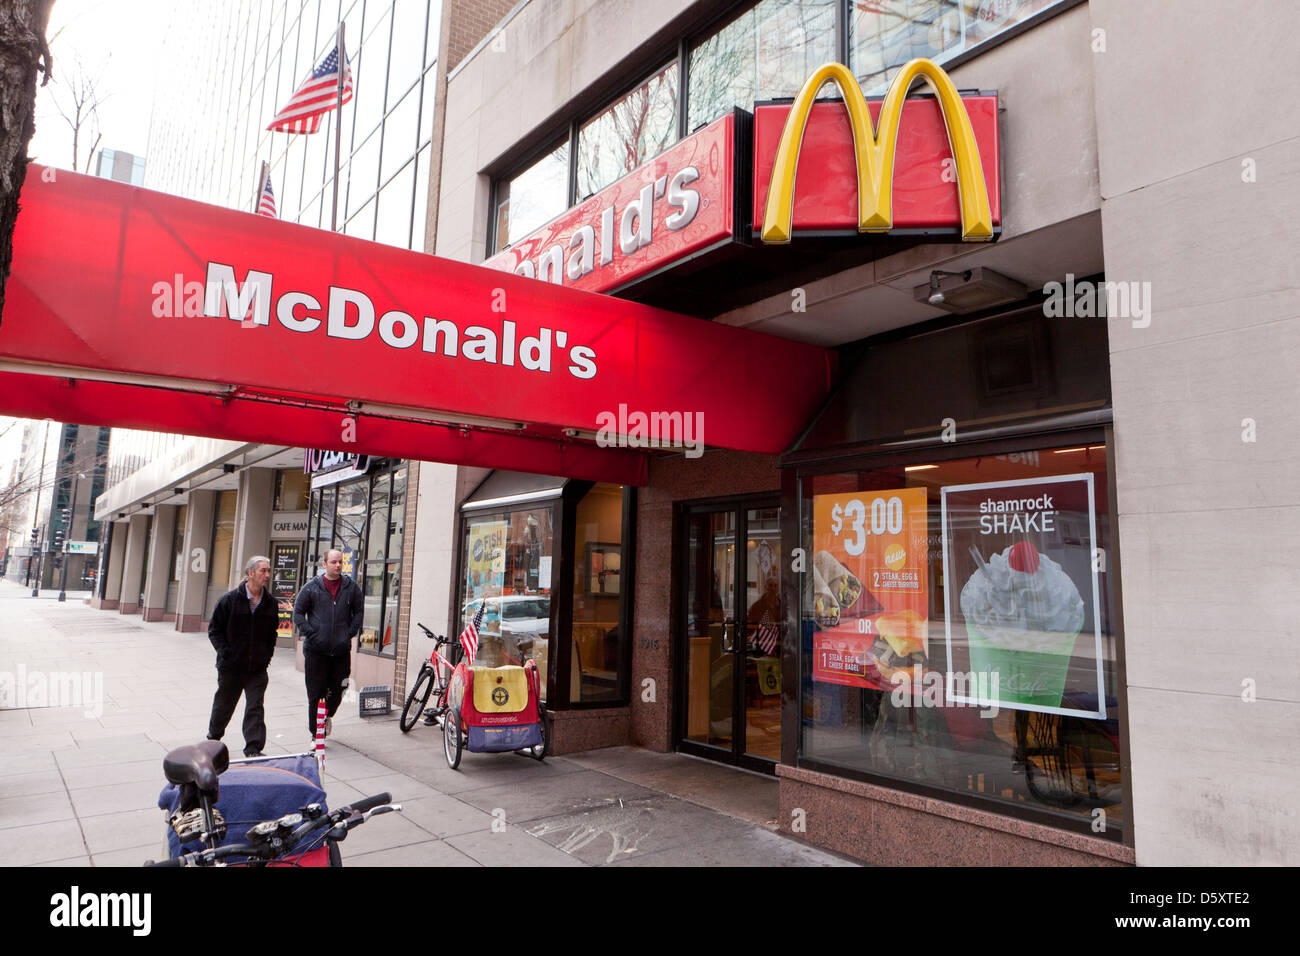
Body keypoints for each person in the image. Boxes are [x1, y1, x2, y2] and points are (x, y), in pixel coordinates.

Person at [207, 555, 278, 757]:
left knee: (255, 707)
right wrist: (225, 653)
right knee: (224, 705)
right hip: (231, 667)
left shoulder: (270, 603)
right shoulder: (229, 600)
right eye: (263, 570)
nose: (267, 575)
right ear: (250, 573)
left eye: (268, 570)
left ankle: (253, 749)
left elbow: (272, 634)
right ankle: (213, 740)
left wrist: (266, 657)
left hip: (257, 668)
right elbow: (214, 630)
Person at [293, 549, 363, 740]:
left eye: (340, 562)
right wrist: (311, 633)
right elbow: (298, 614)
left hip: (340, 650)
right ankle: (316, 734)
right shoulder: (311, 588)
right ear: (324, 564)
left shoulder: (351, 587)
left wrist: (349, 633)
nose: (338, 565)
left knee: (340, 687)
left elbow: (358, 612)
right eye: (333, 562)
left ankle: (327, 715)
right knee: (316, 693)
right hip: (316, 651)